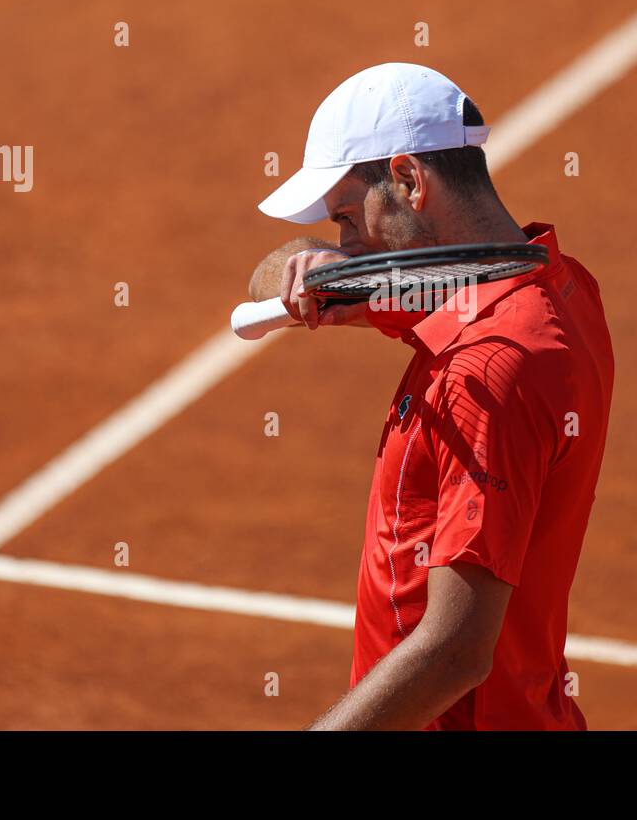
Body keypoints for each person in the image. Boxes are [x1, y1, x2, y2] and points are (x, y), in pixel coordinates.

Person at [248, 62, 614, 729]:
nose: (346, 242)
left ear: (410, 181)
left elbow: (454, 653)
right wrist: (319, 267)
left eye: (347, 218)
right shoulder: (557, 288)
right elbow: (267, 276)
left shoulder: (493, 370)